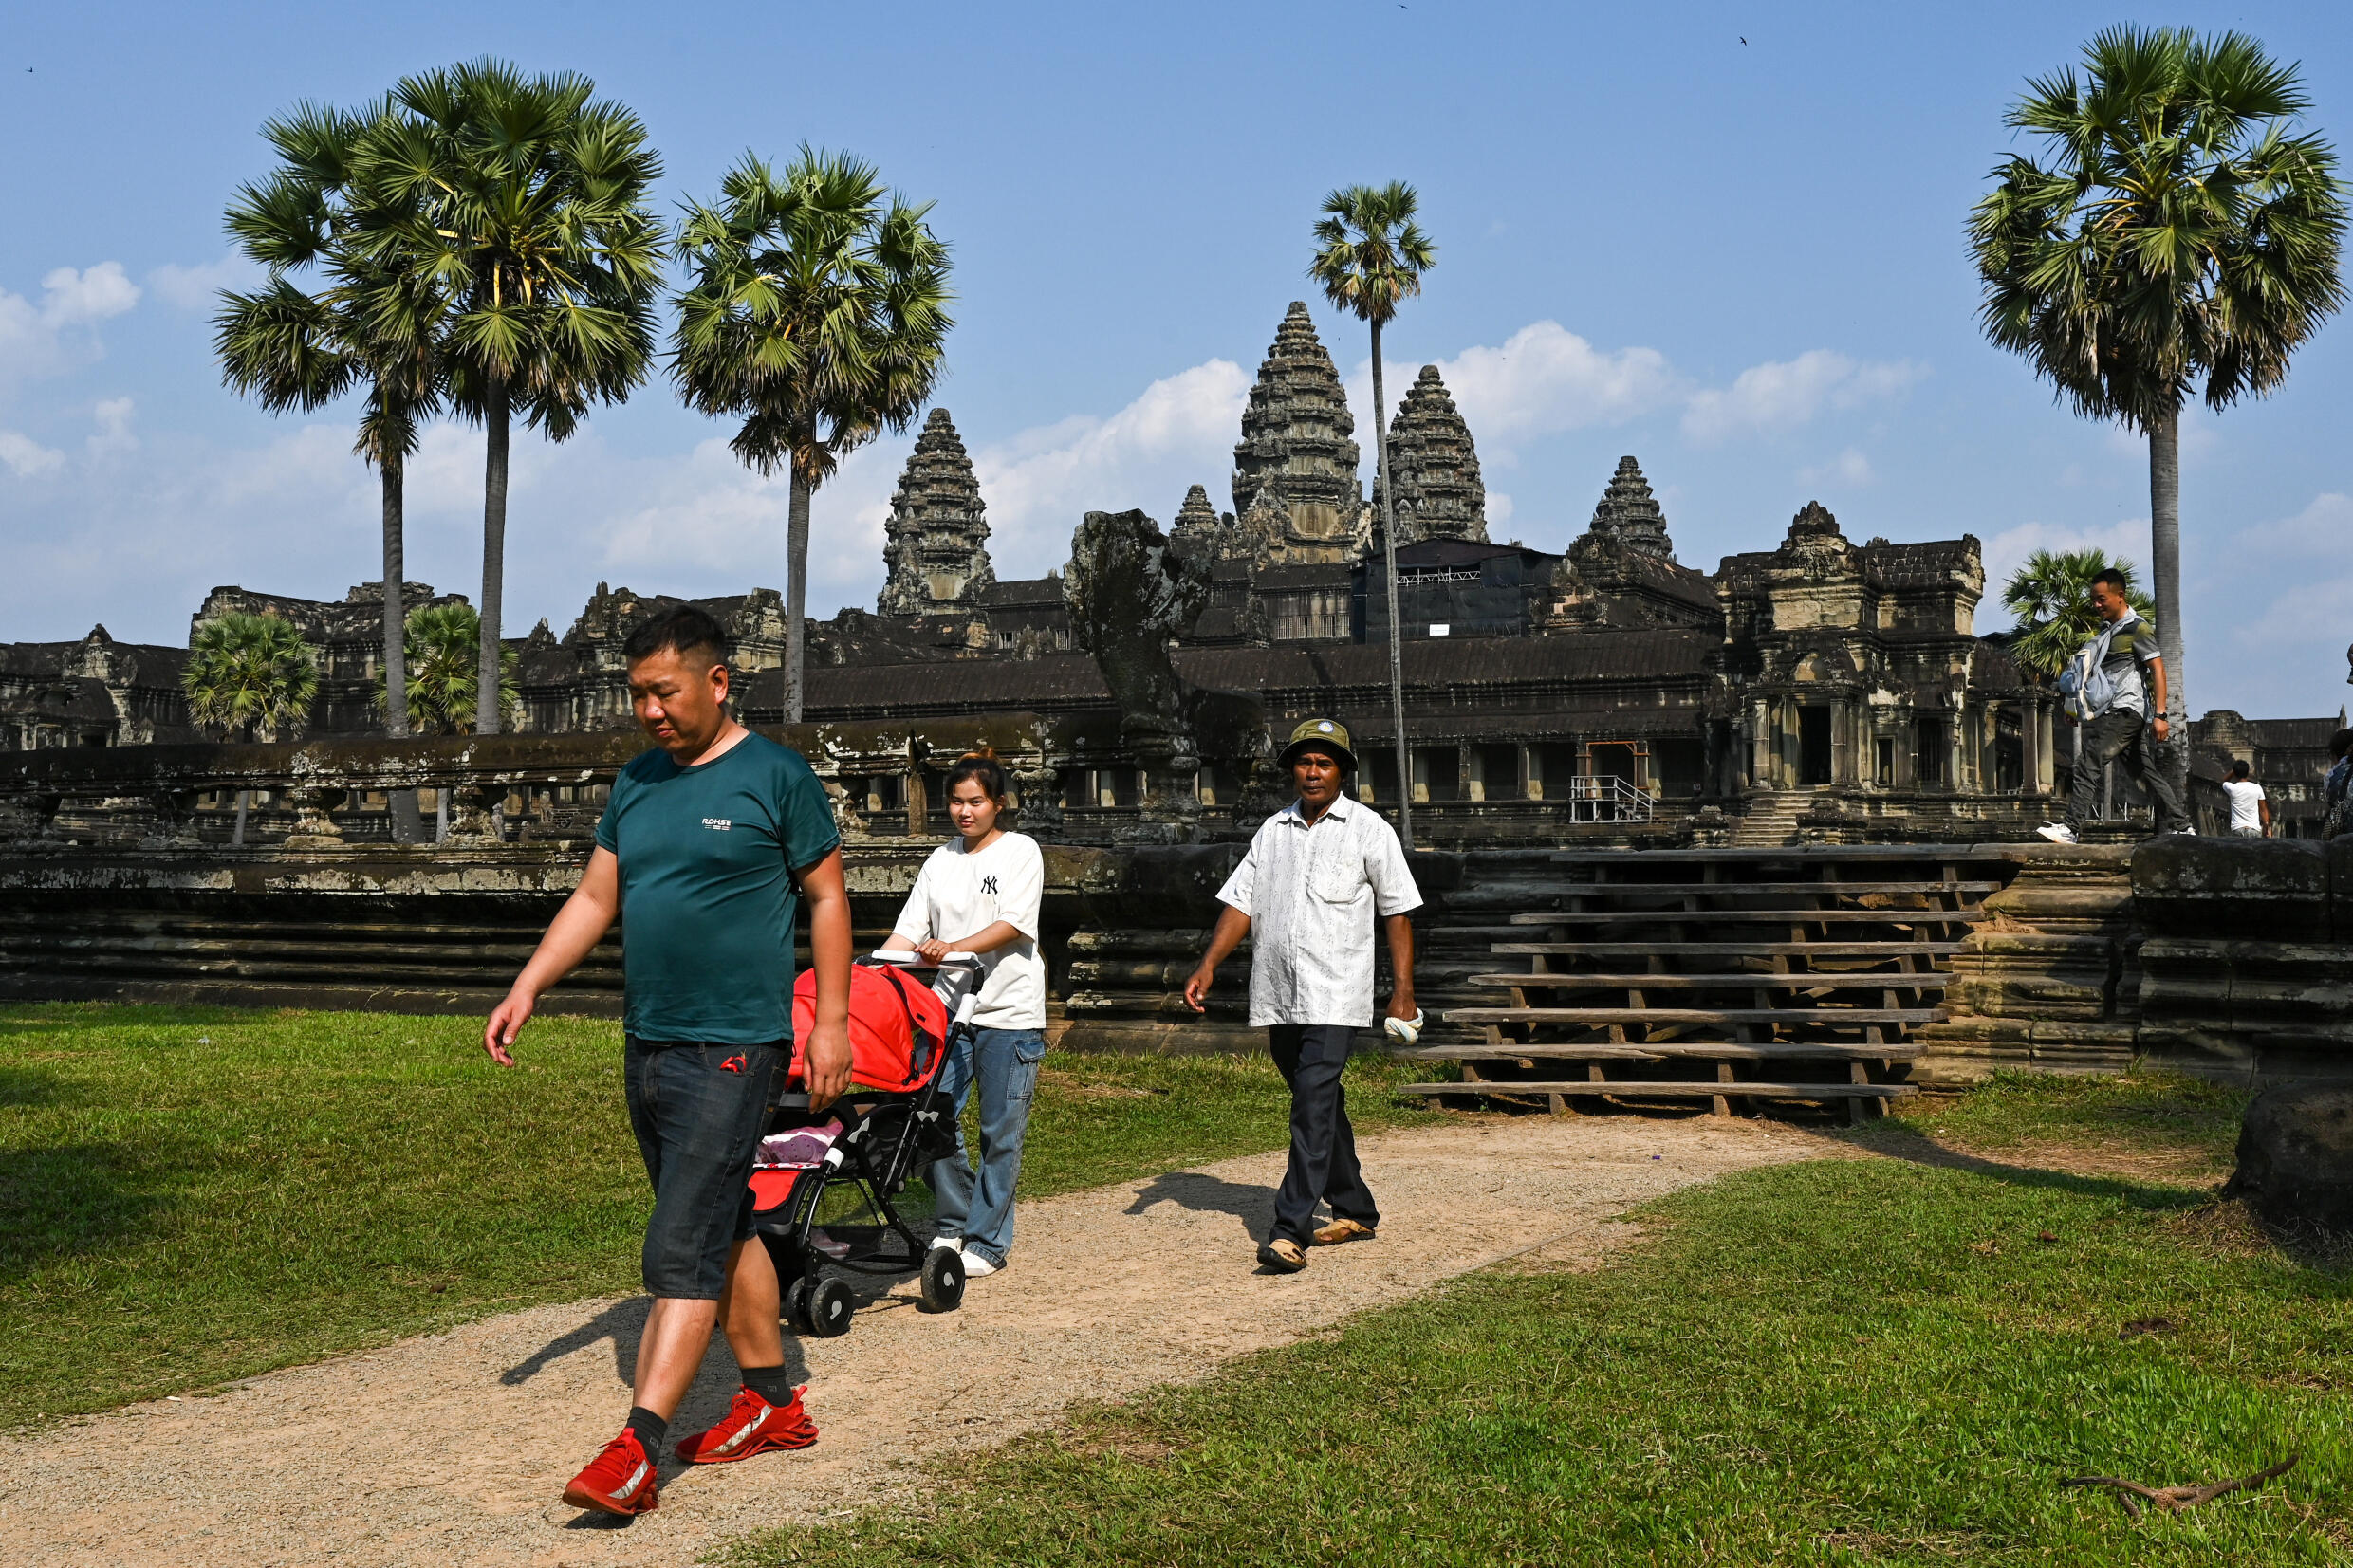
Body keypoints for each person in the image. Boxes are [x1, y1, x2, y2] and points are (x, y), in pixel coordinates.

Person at [482, 605, 851, 1518]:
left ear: (717, 682)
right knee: (721, 1225)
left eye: (665, 690)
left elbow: (829, 894)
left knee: (679, 1248)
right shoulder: (637, 782)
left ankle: (637, 1449)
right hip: (649, 1040)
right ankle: (771, 1401)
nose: (648, 709)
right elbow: (596, 893)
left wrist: (832, 1020)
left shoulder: (775, 775)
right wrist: (528, 983)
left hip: (738, 1043)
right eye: (637, 693)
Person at [1183, 718, 1420, 1274]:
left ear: (1343, 772)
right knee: (1319, 1100)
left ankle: (1289, 1228)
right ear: (1292, 769)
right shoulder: (1273, 831)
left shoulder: (1368, 830)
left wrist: (1403, 991)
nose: (1312, 772)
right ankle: (1356, 1205)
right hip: (1280, 990)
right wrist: (1209, 964)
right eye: (1304, 762)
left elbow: (1399, 910)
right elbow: (1241, 903)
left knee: (1310, 1102)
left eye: (1325, 763)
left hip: (1337, 991)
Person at [882, 751, 1047, 1278]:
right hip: (948, 1012)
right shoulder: (940, 860)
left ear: (998, 803)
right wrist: (876, 971)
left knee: (1000, 1130)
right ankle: (953, 1225)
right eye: (955, 801)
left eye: (976, 801)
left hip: (1009, 1013)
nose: (964, 811)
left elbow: (1013, 926)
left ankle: (988, 1241)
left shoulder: (1021, 853)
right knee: (930, 1117)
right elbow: (908, 930)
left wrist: (951, 947)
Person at [2037, 568, 2189, 844]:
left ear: (2120, 595)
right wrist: (2075, 709)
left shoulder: (2137, 628)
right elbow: (2097, 676)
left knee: (2088, 761)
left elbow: (2158, 670)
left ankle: (2071, 828)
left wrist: (2161, 714)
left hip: (2127, 710)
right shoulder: (2109, 631)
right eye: (2094, 599)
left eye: (2101, 599)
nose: (2096, 605)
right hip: (2116, 709)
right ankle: (2182, 825)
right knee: (2144, 772)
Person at [2221, 760, 2270, 839]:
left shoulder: (2232, 788)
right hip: (2253, 829)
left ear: (2235, 773)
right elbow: (2263, 810)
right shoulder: (2257, 788)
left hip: (2237, 829)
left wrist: (2233, 771)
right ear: (2247, 773)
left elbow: (2223, 781)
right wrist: (2266, 826)